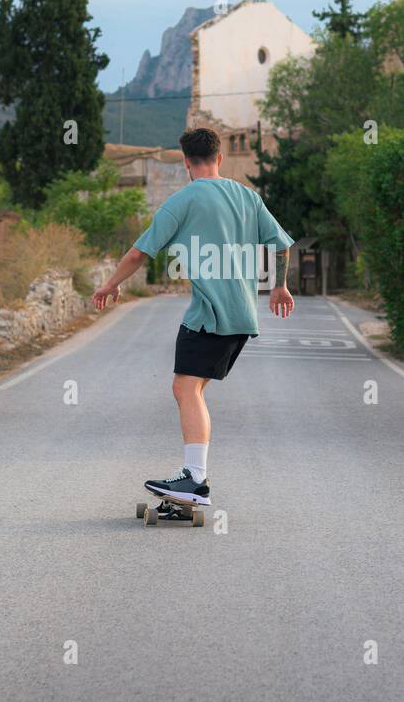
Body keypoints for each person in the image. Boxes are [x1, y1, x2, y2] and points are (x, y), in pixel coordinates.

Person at [92, 127, 295, 509]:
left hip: (210, 315)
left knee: (185, 389)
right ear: (219, 158)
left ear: (186, 163)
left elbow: (139, 254)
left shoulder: (183, 200)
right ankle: (194, 476)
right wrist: (280, 287)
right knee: (192, 390)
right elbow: (281, 245)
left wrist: (109, 285)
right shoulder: (248, 197)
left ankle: (195, 480)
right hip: (242, 317)